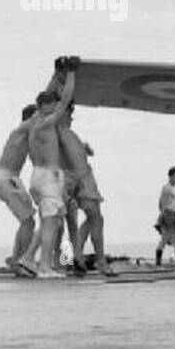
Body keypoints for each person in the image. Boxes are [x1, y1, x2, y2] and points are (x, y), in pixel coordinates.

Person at [19, 59, 77, 277]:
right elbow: (65, 100)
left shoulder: (34, 120)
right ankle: (45, 266)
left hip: (41, 177)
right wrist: (70, 74)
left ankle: (28, 258)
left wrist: (56, 74)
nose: (57, 107)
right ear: (45, 107)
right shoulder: (45, 122)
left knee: (49, 222)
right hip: (48, 178)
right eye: (52, 105)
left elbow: (48, 95)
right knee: (53, 223)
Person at [59, 104, 115, 276]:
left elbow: (71, 151)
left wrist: (84, 148)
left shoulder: (63, 133)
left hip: (69, 177)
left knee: (74, 222)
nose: (71, 118)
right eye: (69, 114)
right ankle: (100, 261)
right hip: (80, 178)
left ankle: (73, 257)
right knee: (95, 217)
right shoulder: (57, 129)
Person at [0, 104, 39, 275]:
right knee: (29, 221)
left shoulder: (27, 135)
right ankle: (25, 261)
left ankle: (16, 259)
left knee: (26, 221)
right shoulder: (21, 130)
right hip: (7, 178)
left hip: (7, 178)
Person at [155, 166, 175, 266]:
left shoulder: (168, 188)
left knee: (166, 239)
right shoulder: (168, 189)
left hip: (166, 216)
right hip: (169, 217)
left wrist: (163, 215)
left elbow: (160, 204)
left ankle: (159, 262)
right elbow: (168, 206)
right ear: (171, 176)